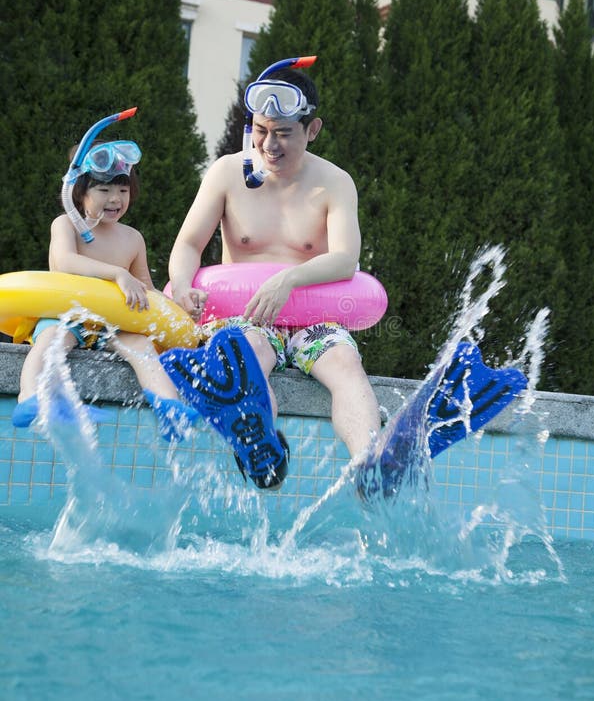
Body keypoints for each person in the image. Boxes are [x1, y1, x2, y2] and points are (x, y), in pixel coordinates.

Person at [168, 61, 382, 461]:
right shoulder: (227, 173)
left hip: (313, 317)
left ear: (312, 130)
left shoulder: (334, 182)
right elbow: (188, 244)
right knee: (250, 356)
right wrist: (182, 285)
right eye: (262, 131)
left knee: (345, 364)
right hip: (246, 314)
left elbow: (345, 260)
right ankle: (259, 445)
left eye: (284, 133)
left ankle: (368, 462)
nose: (270, 145)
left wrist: (289, 280)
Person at [13, 138, 199, 441]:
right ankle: (30, 397)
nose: (115, 198)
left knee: (142, 347)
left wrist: (178, 309)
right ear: (79, 191)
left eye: (123, 190)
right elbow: (65, 262)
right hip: (66, 316)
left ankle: (169, 406)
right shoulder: (66, 226)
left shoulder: (132, 238)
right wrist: (116, 273)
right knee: (50, 340)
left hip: (112, 324)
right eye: (104, 189)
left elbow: (146, 290)